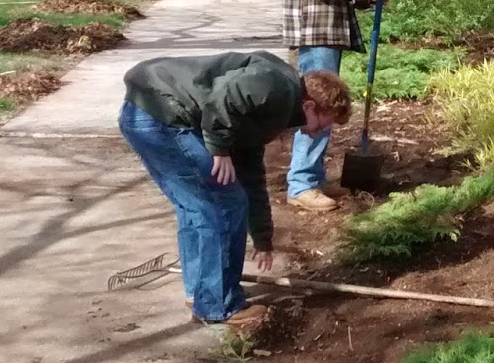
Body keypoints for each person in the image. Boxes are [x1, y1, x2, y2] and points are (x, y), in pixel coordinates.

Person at [119, 51, 353, 331]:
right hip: (161, 115)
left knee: (198, 206)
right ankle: (218, 305)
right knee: (224, 204)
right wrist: (219, 149)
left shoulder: (271, 113)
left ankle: (201, 294)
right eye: (321, 126)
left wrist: (264, 239)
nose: (316, 134)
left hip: (144, 113)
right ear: (309, 106)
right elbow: (227, 95)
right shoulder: (276, 85)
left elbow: (252, 177)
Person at [280, 0, 393, 212]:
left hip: (324, 28)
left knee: (319, 108)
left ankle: (311, 179)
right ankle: (301, 184)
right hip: (316, 31)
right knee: (316, 108)